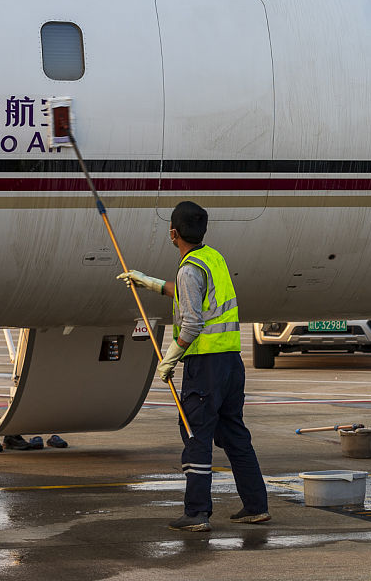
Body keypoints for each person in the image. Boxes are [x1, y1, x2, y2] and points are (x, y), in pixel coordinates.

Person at [118, 200, 269, 532]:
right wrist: (151, 283)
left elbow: (191, 322)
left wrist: (170, 358)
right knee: (234, 435)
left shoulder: (188, 268)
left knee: (196, 434)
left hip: (206, 367)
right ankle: (256, 506)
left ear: (173, 233)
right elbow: (191, 296)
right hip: (231, 362)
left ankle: (196, 512)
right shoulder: (213, 258)